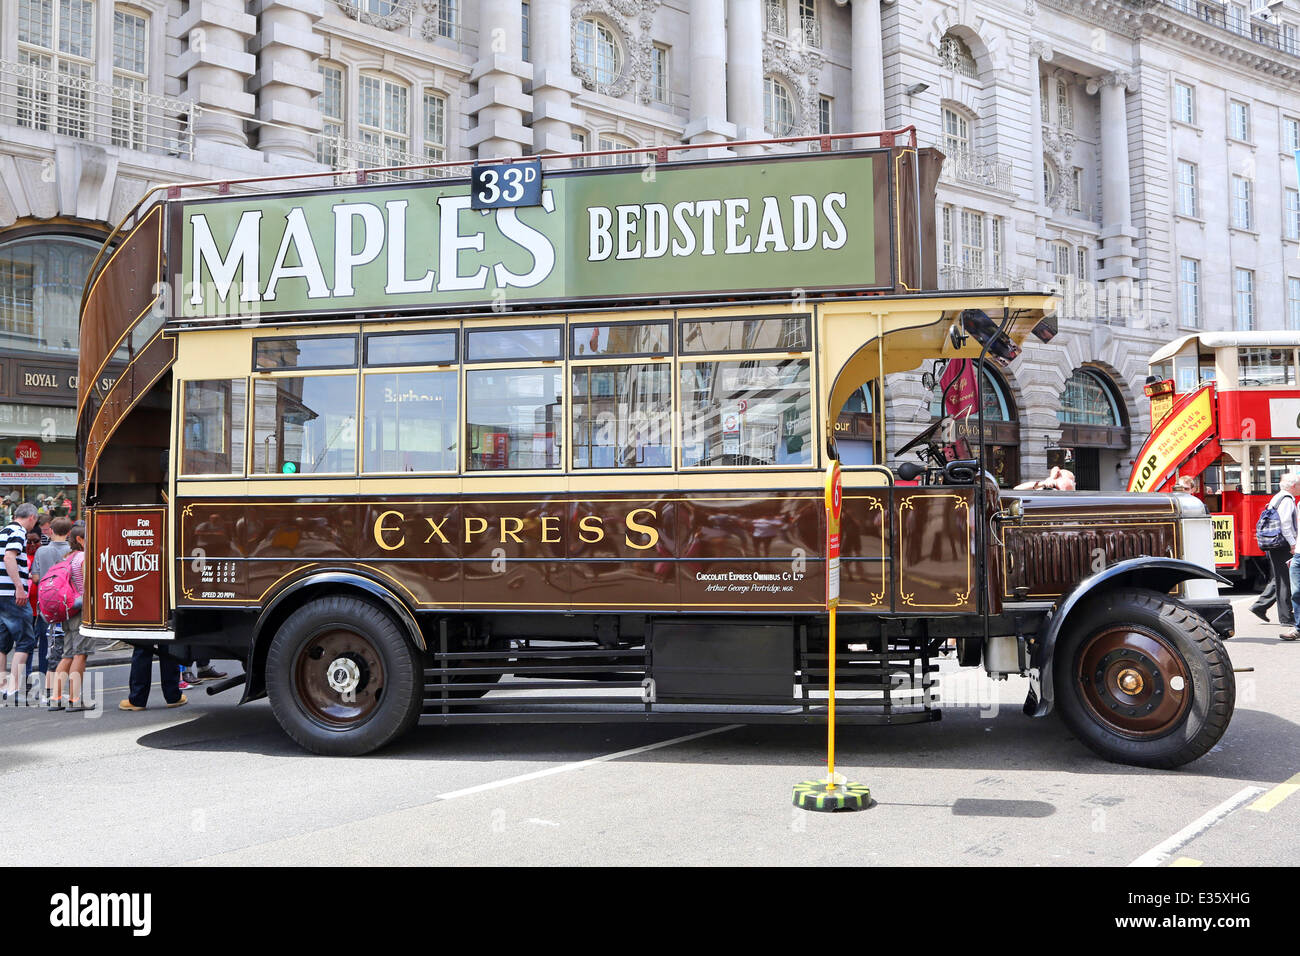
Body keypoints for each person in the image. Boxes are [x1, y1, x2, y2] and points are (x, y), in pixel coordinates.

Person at [32, 517, 72, 706]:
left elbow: (36, 577)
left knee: (48, 648)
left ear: (50, 531)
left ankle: (47, 691)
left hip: (46, 605)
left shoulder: (42, 551)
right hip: (67, 605)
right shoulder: (72, 552)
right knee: (66, 648)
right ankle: (58, 691)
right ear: (69, 533)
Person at [50, 523, 90, 711]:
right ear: (80, 540)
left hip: (67, 611)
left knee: (66, 655)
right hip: (81, 611)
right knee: (80, 655)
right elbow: (87, 585)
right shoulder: (83, 557)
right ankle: (74, 700)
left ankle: (56, 698)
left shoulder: (68, 556)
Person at [1, 503, 39, 702]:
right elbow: (9, 558)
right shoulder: (18, 532)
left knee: (2, 642)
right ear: (31, 517)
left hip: (0, 594)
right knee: (25, 640)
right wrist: (19, 587)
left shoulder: (3, 530)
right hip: (12, 594)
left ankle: (2, 684)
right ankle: (13, 686)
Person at [1257, 473, 1299, 630]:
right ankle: (1286, 617)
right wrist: (1293, 544)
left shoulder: (1278, 497)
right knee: (1285, 580)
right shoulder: (1287, 500)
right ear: (1293, 486)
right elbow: (1286, 524)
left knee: (1280, 579)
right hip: (1282, 544)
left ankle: (1265, 608)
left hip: (1275, 543)